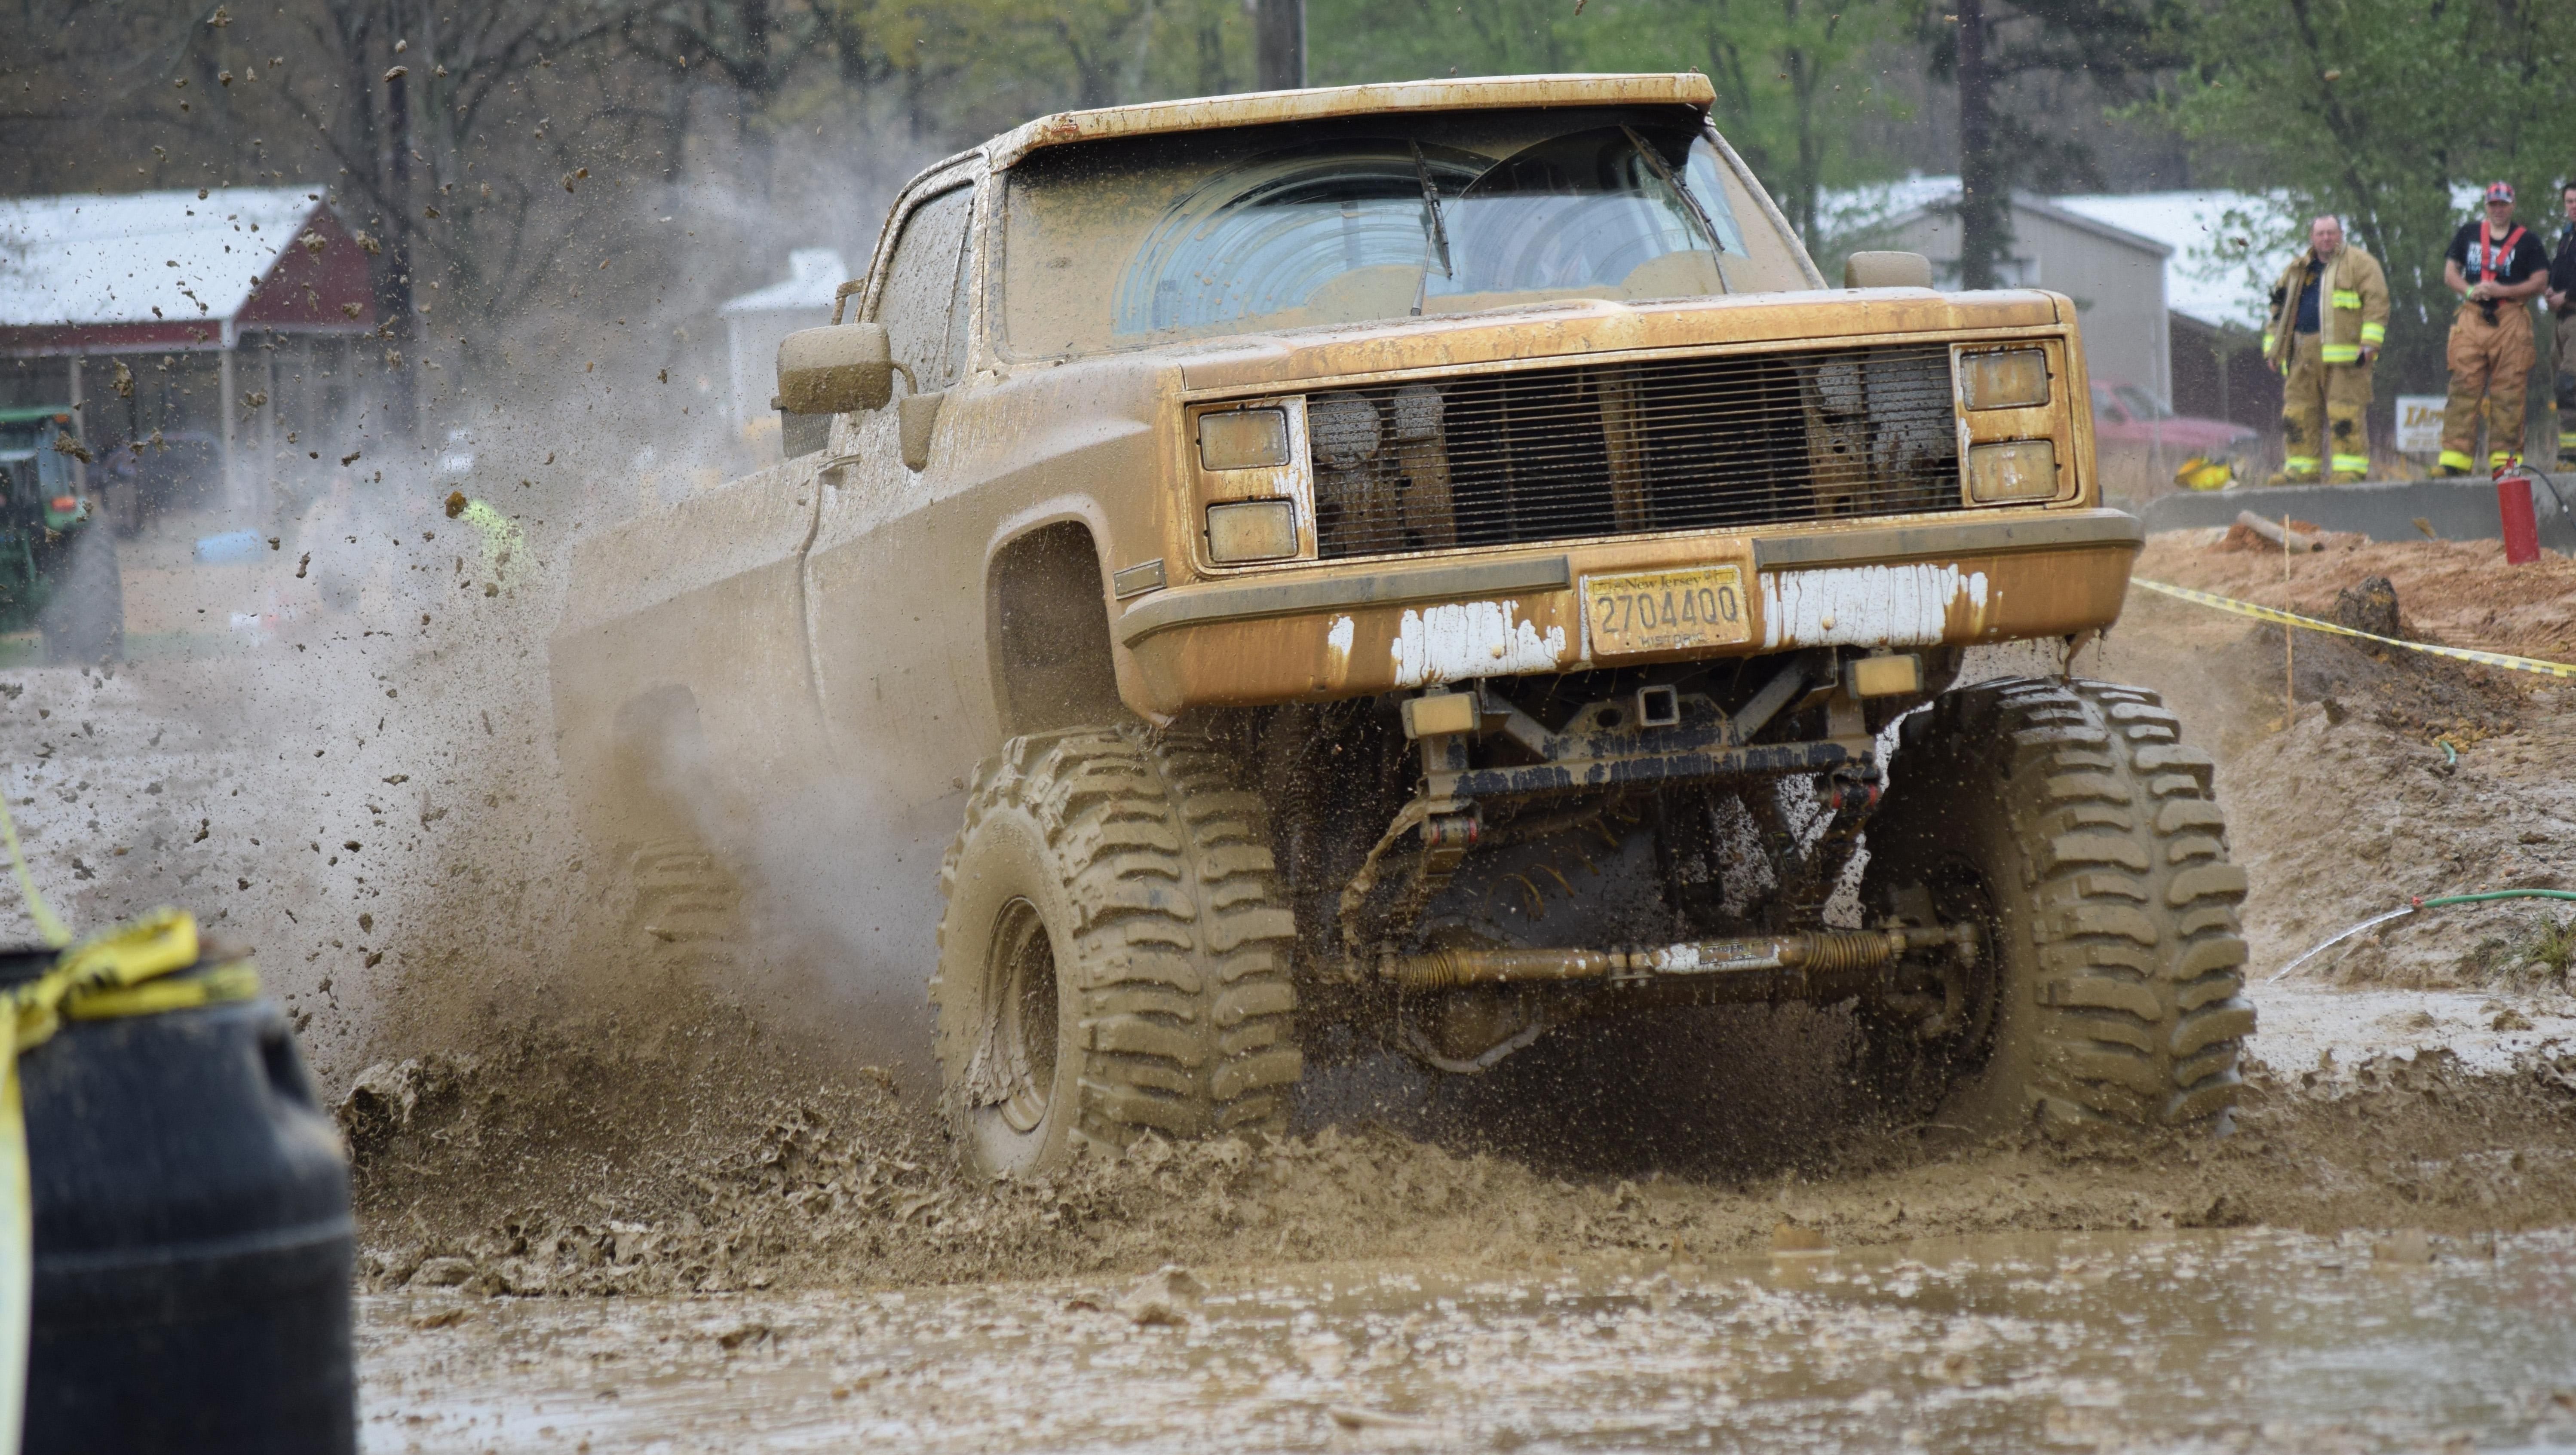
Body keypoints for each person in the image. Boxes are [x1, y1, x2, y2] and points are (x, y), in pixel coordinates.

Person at [2261, 214, 2389, 484]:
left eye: (2331, 233)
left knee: (2345, 412)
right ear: (2312, 237)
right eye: (2321, 234)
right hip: (2301, 353)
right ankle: (2301, 470)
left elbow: (2377, 304)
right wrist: (2273, 350)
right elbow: (2278, 309)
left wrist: (2370, 343)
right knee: (2299, 412)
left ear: (2341, 234)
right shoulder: (2297, 269)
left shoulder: (2361, 264)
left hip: (2347, 356)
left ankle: (2349, 470)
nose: (2326, 238)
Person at [2437, 181, 2550, 475]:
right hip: (2472, 316)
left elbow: (2541, 281)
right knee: (2463, 385)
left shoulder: (2528, 241)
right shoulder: (2469, 233)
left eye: (2503, 204)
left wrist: (2504, 290)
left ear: (2513, 206)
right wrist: (2469, 290)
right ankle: (2454, 460)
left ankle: (2505, 463)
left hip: (2510, 318)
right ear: (2486, 206)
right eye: (2493, 204)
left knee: (2509, 392)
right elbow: (2450, 273)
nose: (2498, 209)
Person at [2547, 181, 2576, 471]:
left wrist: (2566, 296)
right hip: (2562, 319)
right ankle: (2568, 453)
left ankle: (2572, 456)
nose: (2574, 206)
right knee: (2561, 386)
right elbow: (2559, 270)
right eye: (2569, 201)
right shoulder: (2567, 236)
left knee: (2571, 384)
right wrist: (2550, 290)